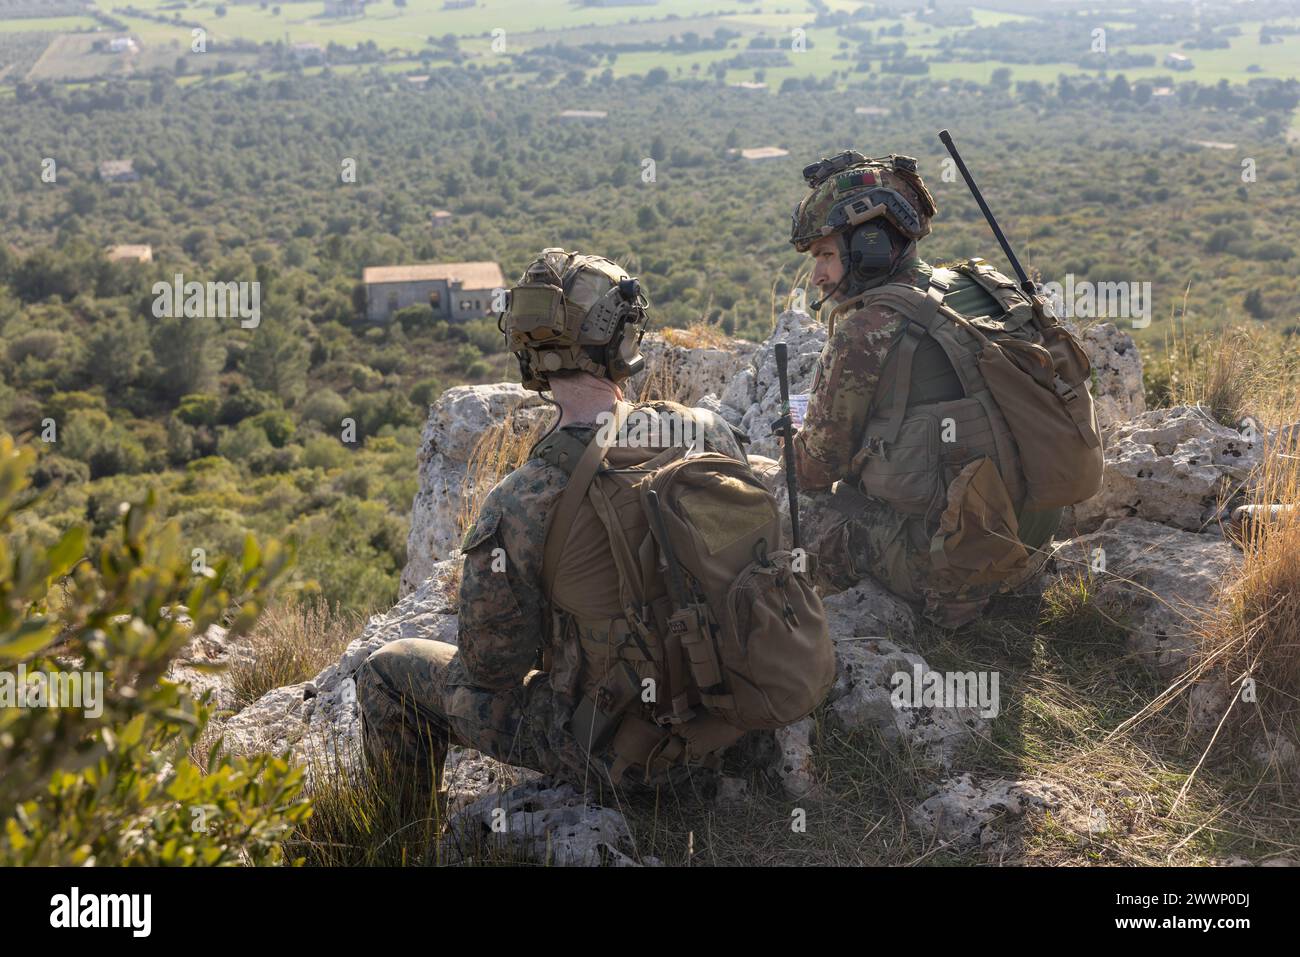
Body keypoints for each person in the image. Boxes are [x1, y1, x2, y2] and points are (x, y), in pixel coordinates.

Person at [355, 249, 772, 805]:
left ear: (527, 352)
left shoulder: (521, 500)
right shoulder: (707, 431)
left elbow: (490, 669)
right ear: (624, 342)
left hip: (623, 759)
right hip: (738, 722)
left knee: (386, 673)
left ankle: (396, 842)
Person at [786, 150, 1064, 627]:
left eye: (826, 255)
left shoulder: (866, 328)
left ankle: (811, 625)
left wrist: (789, 445)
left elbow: (814, 471)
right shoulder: (987, 288)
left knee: (784, 502)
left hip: (948, 565)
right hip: (1033, 538)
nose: (818, 277)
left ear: (870, 244)